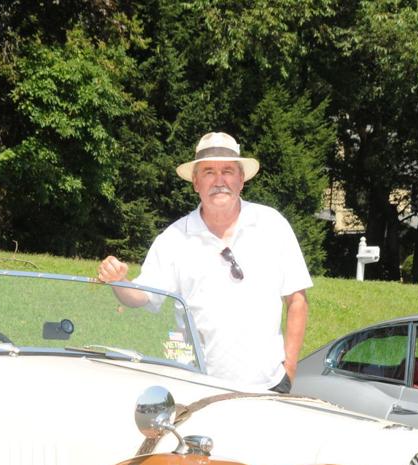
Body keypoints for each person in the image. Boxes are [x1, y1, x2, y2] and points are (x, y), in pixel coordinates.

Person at [96, 132, 311, 393]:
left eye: (228, 171)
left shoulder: (272, 225)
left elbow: (297, 300)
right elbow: (141, 296)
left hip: (268, 387)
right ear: (196, 182)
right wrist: (119, 281)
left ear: (241, 179)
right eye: (209, 172)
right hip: (197, 387)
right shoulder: (174, 239)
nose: (219, 181)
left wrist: (289, 371)